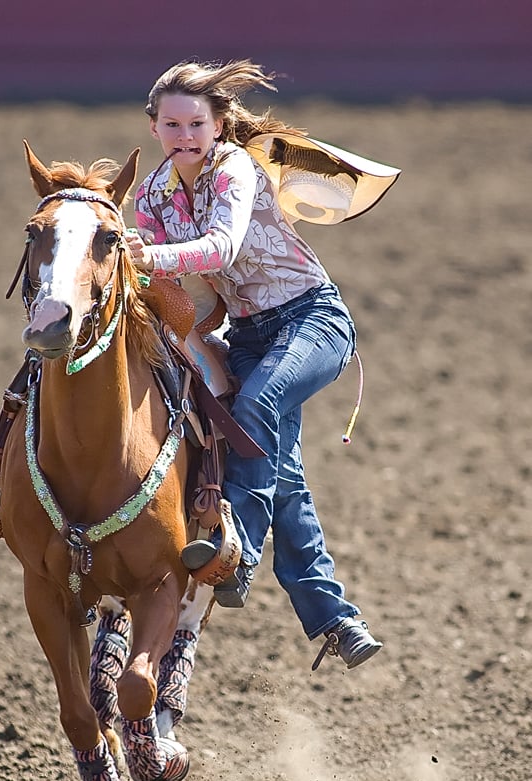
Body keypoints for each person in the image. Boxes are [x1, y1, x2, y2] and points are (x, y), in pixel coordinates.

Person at [126, 59, 393, 670]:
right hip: (245, 336)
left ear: (219, 125)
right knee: (283, 472)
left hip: (312, 319)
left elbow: (218, 247)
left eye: (197, 123)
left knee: (252, 407)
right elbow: (180, 293)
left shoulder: (234, 169)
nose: (186, 135)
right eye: (173, 124)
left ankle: (237, 549)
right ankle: (336, 620)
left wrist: (149, 255)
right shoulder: (148, 197)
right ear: (154, 128)